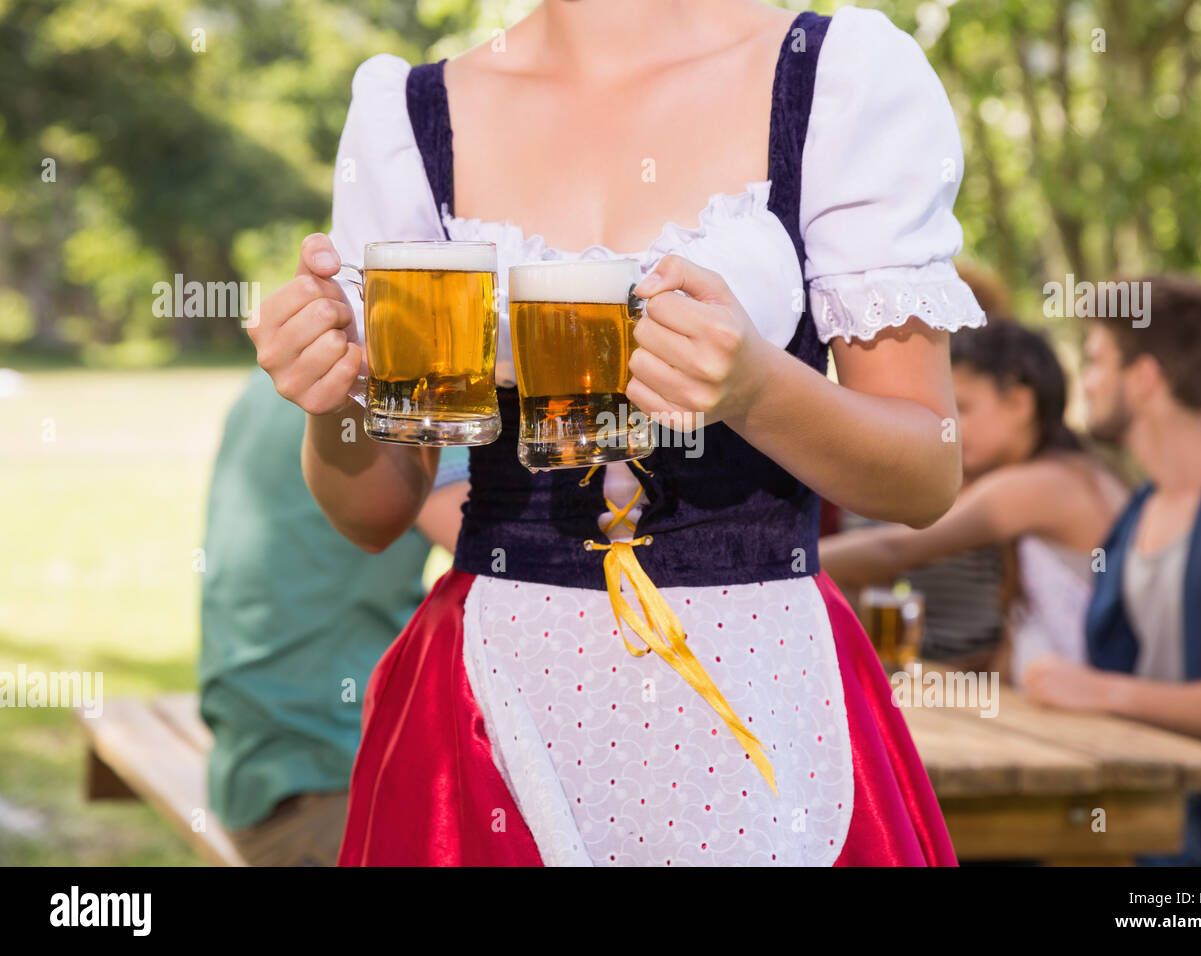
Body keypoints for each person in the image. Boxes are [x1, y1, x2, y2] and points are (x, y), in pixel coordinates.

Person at [249, 2, 989, 866]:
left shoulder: (837, 76)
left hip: (765, 690)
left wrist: (756, 389)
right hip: (488, 698)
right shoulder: (410, 113)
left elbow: (924, 473)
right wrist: (330, 399)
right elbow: (373, 511)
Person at [1022, 275, 1201, 866]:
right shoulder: (1139, 512)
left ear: (1144, 377)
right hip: (1155, 840)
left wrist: (1104, 693)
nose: (1085, 383)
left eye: (1096, 361)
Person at [199, 367, 469, 866]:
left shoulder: (280, 369)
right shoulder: (419, 377)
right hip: (330, 782)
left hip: (253, 760)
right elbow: (501, 550)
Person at [820, 319, 1129, 684]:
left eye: (962, 408)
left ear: (1019, 403)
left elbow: (897, 549)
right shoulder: (1079, 469)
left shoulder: (1038, 485)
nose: (949, 424)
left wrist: (790, 564)